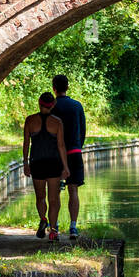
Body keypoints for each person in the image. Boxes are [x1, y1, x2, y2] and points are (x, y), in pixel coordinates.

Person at [23, 92, 70, 240]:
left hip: (37, 163)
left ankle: (43, 218)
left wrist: (25, 163)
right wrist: (65, 167)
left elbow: (26, 144)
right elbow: (61, 146)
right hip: (53, 164)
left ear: (39, 102)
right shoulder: (57, 122)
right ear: (53, 105)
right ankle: (53, 231)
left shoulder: (30, 120)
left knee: (40, 197)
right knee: (54, 199)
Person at [49, 74, 87, 239]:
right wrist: (78, 146)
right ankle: (73, 227)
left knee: (54, 191)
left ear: (54, 88)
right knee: (73, 190)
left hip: (56, 155)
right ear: (68, 87)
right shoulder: (77, 106)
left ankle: (55, 226)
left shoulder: (52, 107)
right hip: (74, 152)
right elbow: (83, 130)